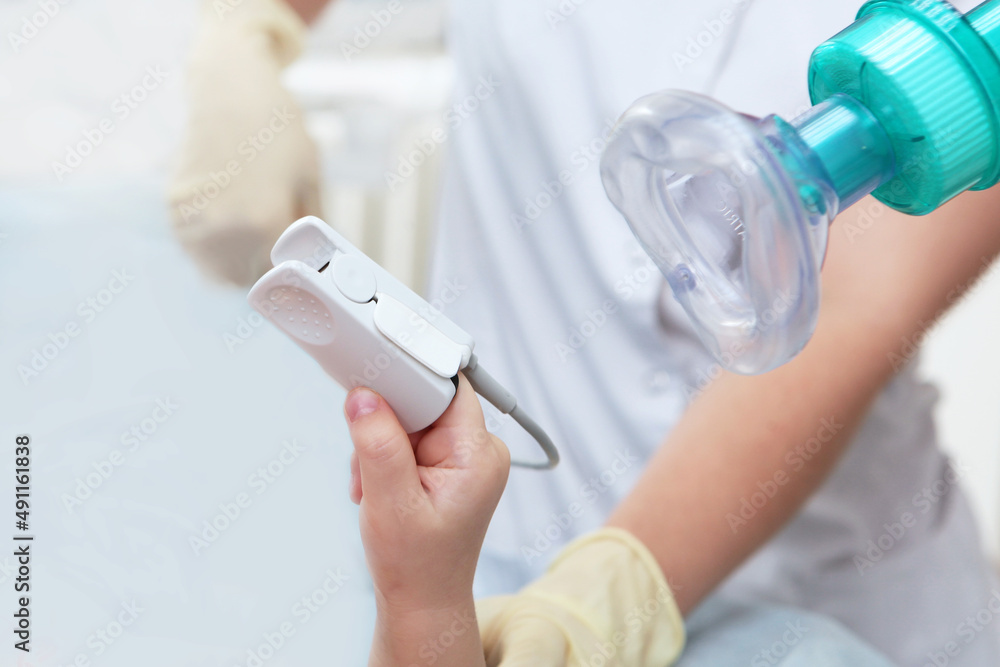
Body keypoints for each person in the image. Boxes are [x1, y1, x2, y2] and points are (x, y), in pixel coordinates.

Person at [170, 0, 1000, 664]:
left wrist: (607, 596)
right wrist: (253, 25)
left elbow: (859, 305)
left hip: (834, 598)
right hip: (506, 544)